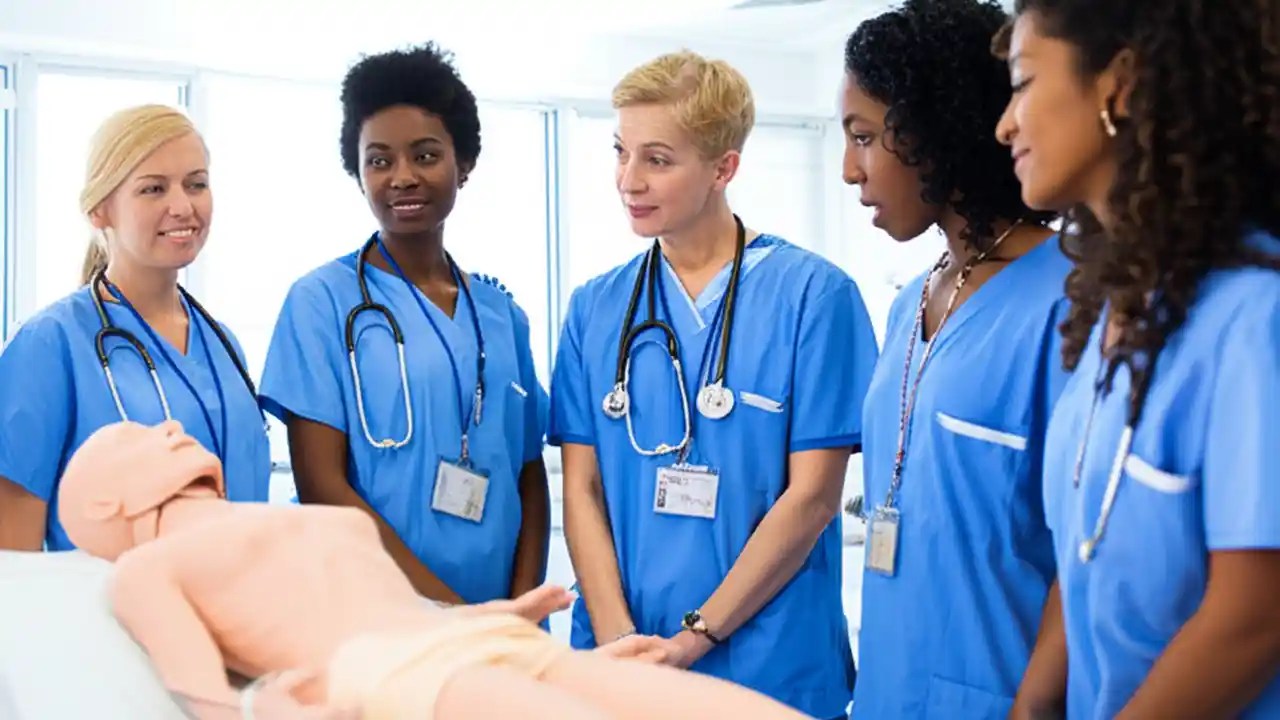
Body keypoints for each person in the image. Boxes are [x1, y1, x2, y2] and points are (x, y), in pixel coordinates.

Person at [56, 419, 812, 720]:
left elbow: (403, 607)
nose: (168, 426)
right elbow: (200, 691)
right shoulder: (145, 570)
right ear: (107, 499)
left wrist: (495, 616)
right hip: (387, 673)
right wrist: (267, 714)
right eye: (138, 434)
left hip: (467, 641)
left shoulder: (286, 514)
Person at [548, 49, 879, 720]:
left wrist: (693, 641)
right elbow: (581, 488)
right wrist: (623, 642)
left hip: (769, 666)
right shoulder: (595, 308)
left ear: (724, 167)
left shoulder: (814, 297)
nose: (628, 180)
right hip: (625, 668)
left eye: (657, 160)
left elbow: (813, 498)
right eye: (621, 152)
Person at [995, 1, 1280, 717]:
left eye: (1023, 83)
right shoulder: (1114, 318)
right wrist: (1034, 704)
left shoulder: (1255, 316)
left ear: (1118, 85)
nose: (1005, 124)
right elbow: (1082, 555)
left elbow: (1255, 615)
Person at [258, 43, 550, 607]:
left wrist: (516, 611)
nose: (402, 177)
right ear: (358, 172)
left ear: (463, 164)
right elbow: (322, 487)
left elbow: (529, 474)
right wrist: (449, 614)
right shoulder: (321, 302)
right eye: (380, 160)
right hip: (372, 609)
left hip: (499, 622)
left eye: (425, 155)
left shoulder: (502, 314)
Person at [841, 2, 1070, 717]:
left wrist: (1032, 706)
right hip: (888, 689)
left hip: (1002, 695)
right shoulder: (908, 304)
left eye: (865, 137)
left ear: (935, 132)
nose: (851, 170)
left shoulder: (1074, 302)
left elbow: (1086, 552)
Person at [0, 104, 270, 552]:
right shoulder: (50, 345)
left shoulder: (224, 345)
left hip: (235, 613)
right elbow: (11, 559)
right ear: (99, 210)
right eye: (153, 189)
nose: (182, 206)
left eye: (196, 184)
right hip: (104, 617)